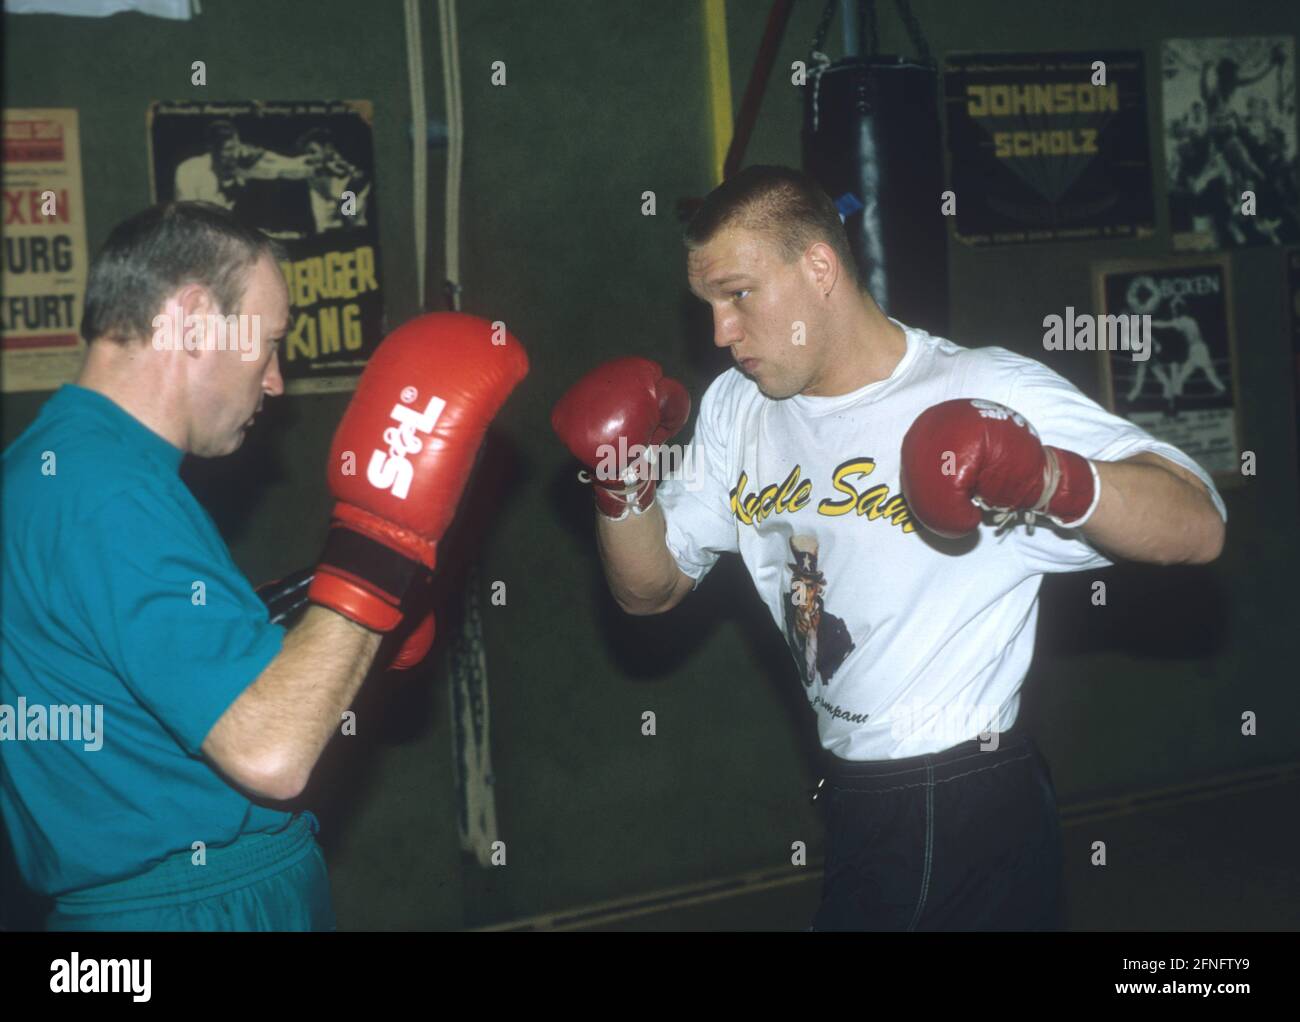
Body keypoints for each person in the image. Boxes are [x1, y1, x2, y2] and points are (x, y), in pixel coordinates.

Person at [551, 165, 1226, 931]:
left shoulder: (979, 387)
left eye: (739, 295)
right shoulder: (739, 408)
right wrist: (621, 486)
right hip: (859, 798)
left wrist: (1045, 477)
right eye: (708, 304)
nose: (721, 332)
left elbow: (1198, 526)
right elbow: (652, 589)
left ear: (819, 268)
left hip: (963, 800)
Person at [0, 201, 527, 930]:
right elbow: (271, 753)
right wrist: (381, 548)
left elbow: (119, 673)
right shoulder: (106, 493)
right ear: (190, 317)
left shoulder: (47, 469)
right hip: (195, 910)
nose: (275, 381)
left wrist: (291, 621)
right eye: (269, 343)